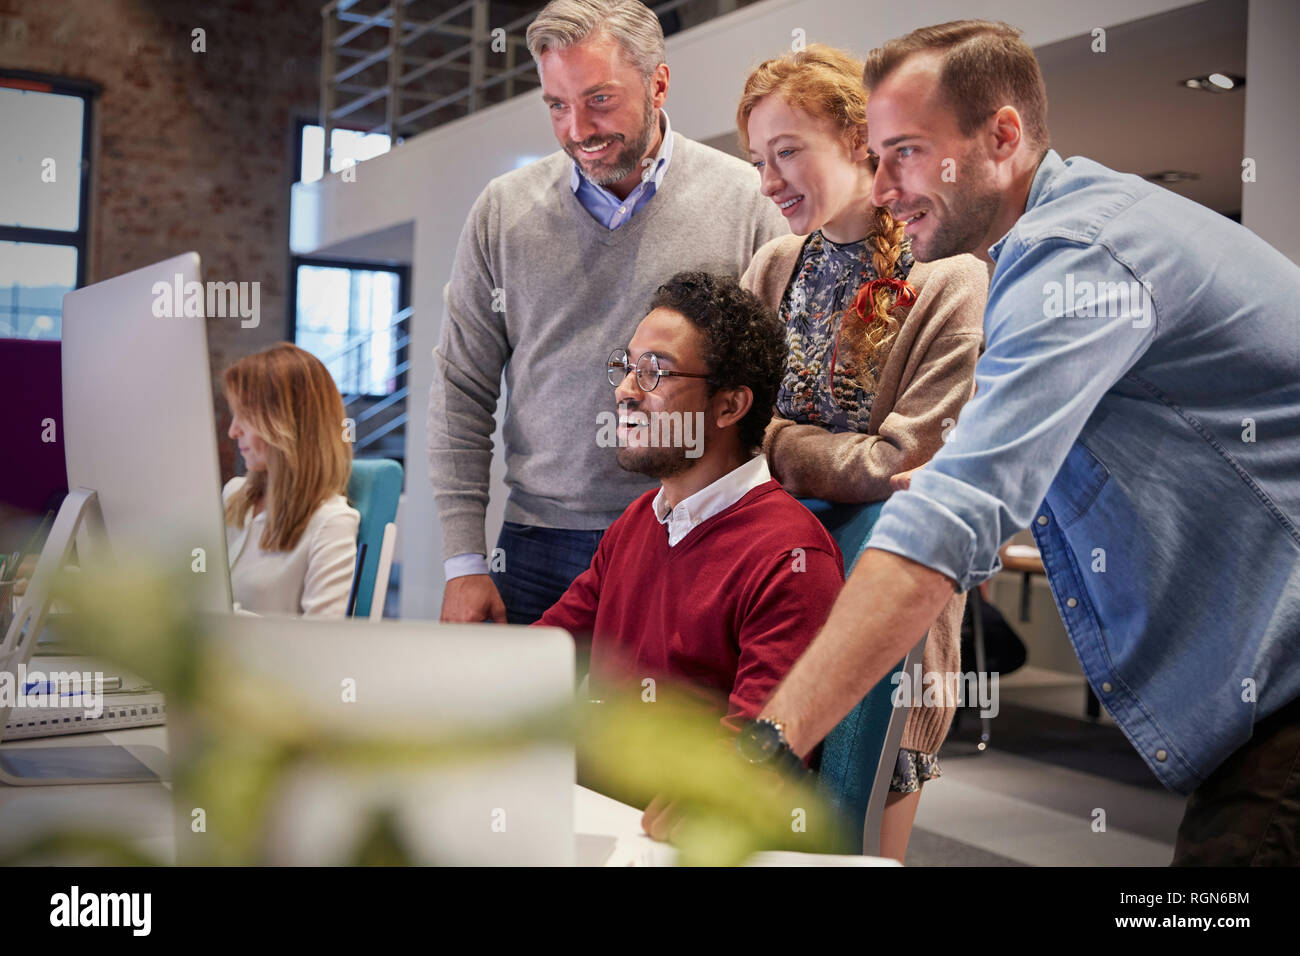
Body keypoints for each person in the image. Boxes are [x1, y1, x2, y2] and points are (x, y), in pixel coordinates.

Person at [749, 19, 1300, 866]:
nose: (883, 182)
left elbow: (953, 506)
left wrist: (773, 740)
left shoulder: (1076, 253)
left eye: (904, 152)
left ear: (1002, 136)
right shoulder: (1045, 253)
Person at [430, 0, 787, 627]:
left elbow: (771, 387)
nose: (578, 129)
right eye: (557, 106)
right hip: (537, 543)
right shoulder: (503, 212)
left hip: (694, 533)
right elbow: (461, 388)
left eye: (599, 100)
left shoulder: (746, 202)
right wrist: (464, 561)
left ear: (658, 83)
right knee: (529, 729)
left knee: (674, 728)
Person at [737, 43, 987, 862]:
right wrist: (820, 453)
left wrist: (773, 442)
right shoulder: (773, 266)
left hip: (884, 602)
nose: (769, 181)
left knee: (855, 847)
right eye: (758, 160)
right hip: (769, 591)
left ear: (856, 141)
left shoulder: (951, 278)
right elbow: (731, 429)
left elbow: (905, 465)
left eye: (786, 152)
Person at [534, 271, 843, 768]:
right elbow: (544, 654)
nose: (625, 392)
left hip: (680, 828)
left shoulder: (792, 558)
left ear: (730, 406)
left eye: (655, 371)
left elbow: (758, 756)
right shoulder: (640, 520)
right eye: (626, 368)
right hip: (596, 800)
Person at [222, 343, 360, 617]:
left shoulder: (331, 523)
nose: (232, 431)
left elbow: (323, 643)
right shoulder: (235, 495)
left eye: (245, 416)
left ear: (283, 424)